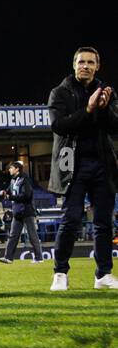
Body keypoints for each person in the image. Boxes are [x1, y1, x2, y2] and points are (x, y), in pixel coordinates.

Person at [48, 46, 118, 289]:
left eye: (90, 62)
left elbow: (115, 128)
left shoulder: (107, 92)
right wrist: (88, 109)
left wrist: (105, 108)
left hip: (102, 165)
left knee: (103, 222)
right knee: (71, 219)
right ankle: (60, 272)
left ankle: (103, 274)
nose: (85, 66)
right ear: (74, 65)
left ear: (97, 66)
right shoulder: (60, 93)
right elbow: (59, 126)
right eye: (81, 62)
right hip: (72, 166)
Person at [2, 161, 43, 261]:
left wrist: (11, 197)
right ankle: (8, 258)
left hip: (27, 211)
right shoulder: (13, 180)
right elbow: (8, 191)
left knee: (32, 235)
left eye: (11, 168)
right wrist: (3, 193)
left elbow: (27, 195)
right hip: (17, 212)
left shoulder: (25, 179)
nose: (9, 170)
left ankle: (39, 258)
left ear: (17, 169)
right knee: (13, 236)